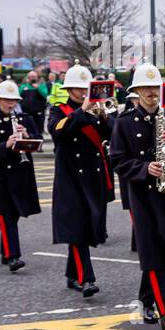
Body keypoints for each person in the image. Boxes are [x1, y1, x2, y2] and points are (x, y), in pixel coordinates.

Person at [108, 64, 165, 330]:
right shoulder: (124, 122)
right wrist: (143, 169)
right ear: (137, 91)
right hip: (142, 195)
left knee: (162, 249)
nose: (152, 92)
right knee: (151, 251)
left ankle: (144, 302)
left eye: (155, 87)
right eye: (146, 88)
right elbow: (117, 159)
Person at [48, 62, 115, 298]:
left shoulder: (97, 110)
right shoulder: (59, 110)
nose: (82, 92)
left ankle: (71, 274)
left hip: (93, 176)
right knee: (77, 227)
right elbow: (57, 131)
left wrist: (105, 116)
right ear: (68, 90)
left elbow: (112, 134)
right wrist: (82, 111)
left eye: (85, 87)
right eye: (77, 88)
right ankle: (87, 278)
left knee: (86, 225)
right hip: (70, 177)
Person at [0, 81, 41, 271]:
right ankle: (13, 256)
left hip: (20, 173)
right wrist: (5, 145)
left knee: (14, 215)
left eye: (13, 100)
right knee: (4, 214)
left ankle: (5, 251)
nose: (10, 104)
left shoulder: (25, 118)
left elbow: (38, 142)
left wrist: (27, 135)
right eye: (6, 100)